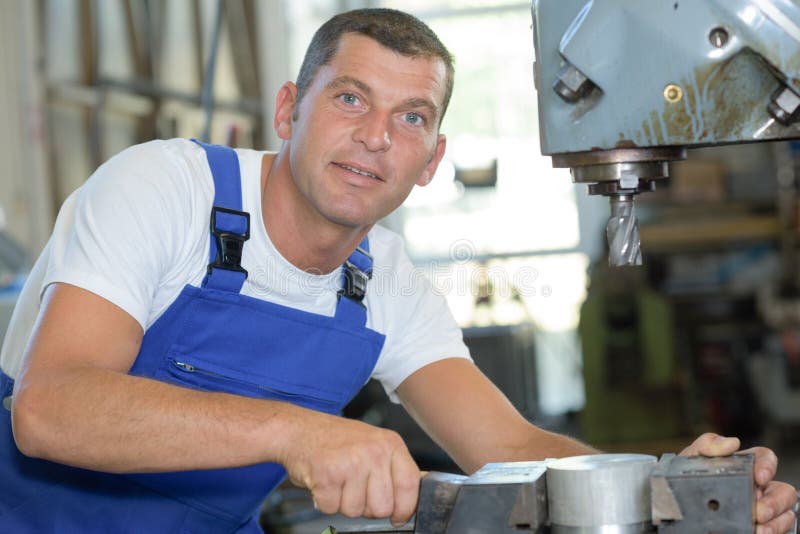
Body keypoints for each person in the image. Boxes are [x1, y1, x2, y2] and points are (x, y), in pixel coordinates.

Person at [0, 7, 795, 533]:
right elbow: (51, 407)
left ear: (430, 160)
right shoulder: (168, 189)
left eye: (410, 117)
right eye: (349, 99)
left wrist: (677, 494)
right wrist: (297, 431)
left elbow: (510, 447)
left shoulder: (384, 284)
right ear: (288, 112)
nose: (376, 136)